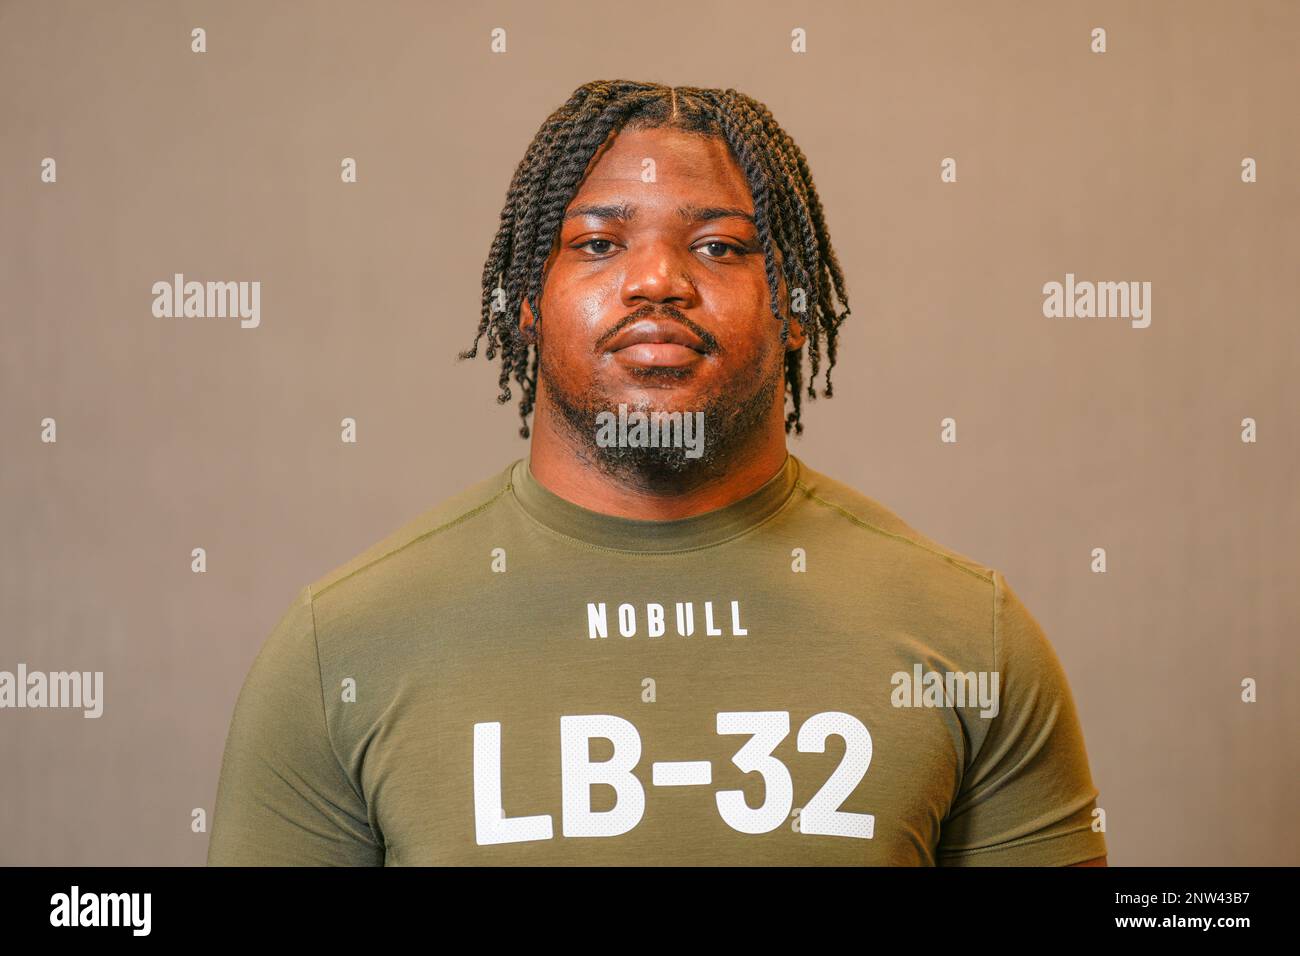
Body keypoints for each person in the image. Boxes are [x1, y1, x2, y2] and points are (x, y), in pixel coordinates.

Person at [207, 80, 1108, 866]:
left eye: (719, 246)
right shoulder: (346, 646)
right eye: (599, 244)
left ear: (794, 308)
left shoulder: (964, 634)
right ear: (525, 300)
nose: (657, 282)